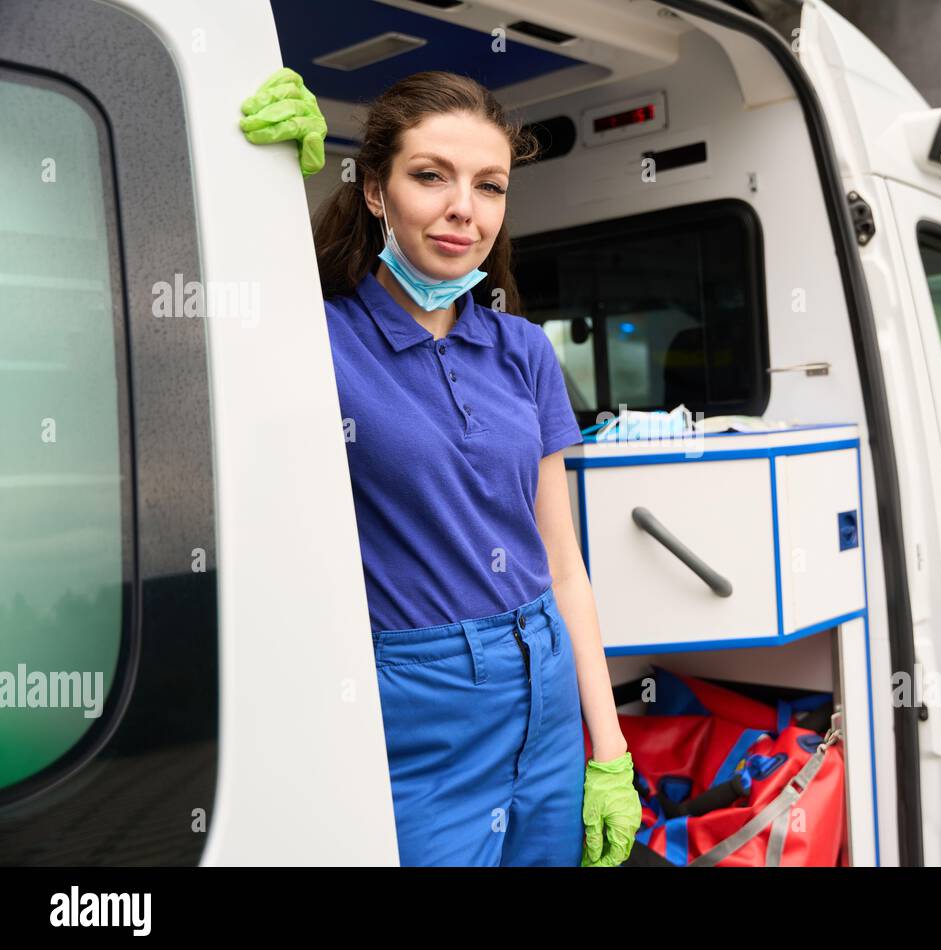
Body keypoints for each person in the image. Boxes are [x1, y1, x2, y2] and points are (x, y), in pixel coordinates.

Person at [239, 68, 641, 866]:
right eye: (431, 176)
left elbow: (564, 565)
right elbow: (202, 316)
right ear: (376, 192)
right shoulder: (316, 336)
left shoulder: (523, 348)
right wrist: (259, 183)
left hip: (547, 685)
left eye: (489, 186)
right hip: (415, 700)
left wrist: (611, 750)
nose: (465, 208)